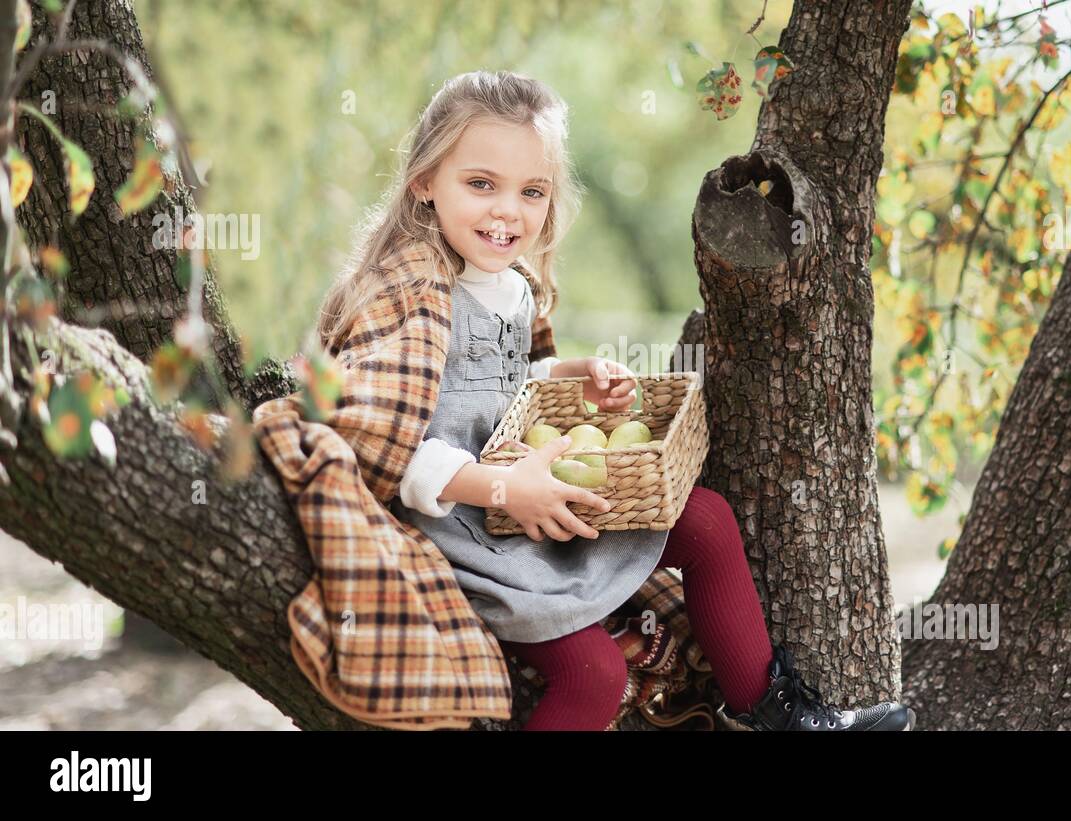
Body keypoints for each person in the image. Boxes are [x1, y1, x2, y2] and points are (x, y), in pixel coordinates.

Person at [314, 69, 915, 732]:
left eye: (531, 191)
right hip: (469, 538)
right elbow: (384, 441)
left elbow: (508, 385)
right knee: (596, 673)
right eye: (480, 184)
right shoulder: (408, 292)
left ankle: (773, 712)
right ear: (424, 181)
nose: (508, 211)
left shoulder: (508, 285)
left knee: (707, 520)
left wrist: (571, 374)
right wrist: (505, 490)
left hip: (533, 501)